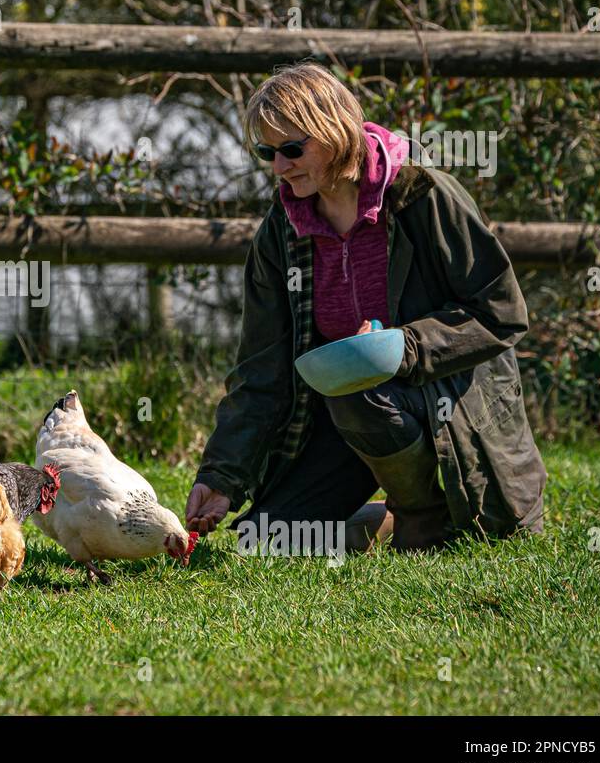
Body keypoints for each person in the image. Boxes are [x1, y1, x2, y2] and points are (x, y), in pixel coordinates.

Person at [185, 62, 545, 552]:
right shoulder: (280, 230)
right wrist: (222, 475)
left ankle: (421, 512)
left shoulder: (426, 195)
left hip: (447, 403)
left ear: (334, 131)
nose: (279, 166)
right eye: (267, 152)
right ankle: (396, 514)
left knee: (360, 391)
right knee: (265, 539)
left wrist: (403, 346)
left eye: (293, 148)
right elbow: (261, 370)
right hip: (343, 417)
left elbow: (501, 312)